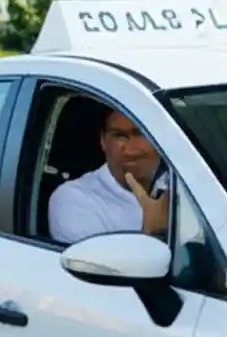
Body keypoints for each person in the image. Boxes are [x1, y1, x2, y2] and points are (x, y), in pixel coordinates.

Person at [48, 103, 170, 244]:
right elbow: (94, 264)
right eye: (119, 135)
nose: (130, 149)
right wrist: (153, 232)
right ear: (103, 141)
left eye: (140, 133)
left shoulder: (182, 183)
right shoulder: (74, 199)